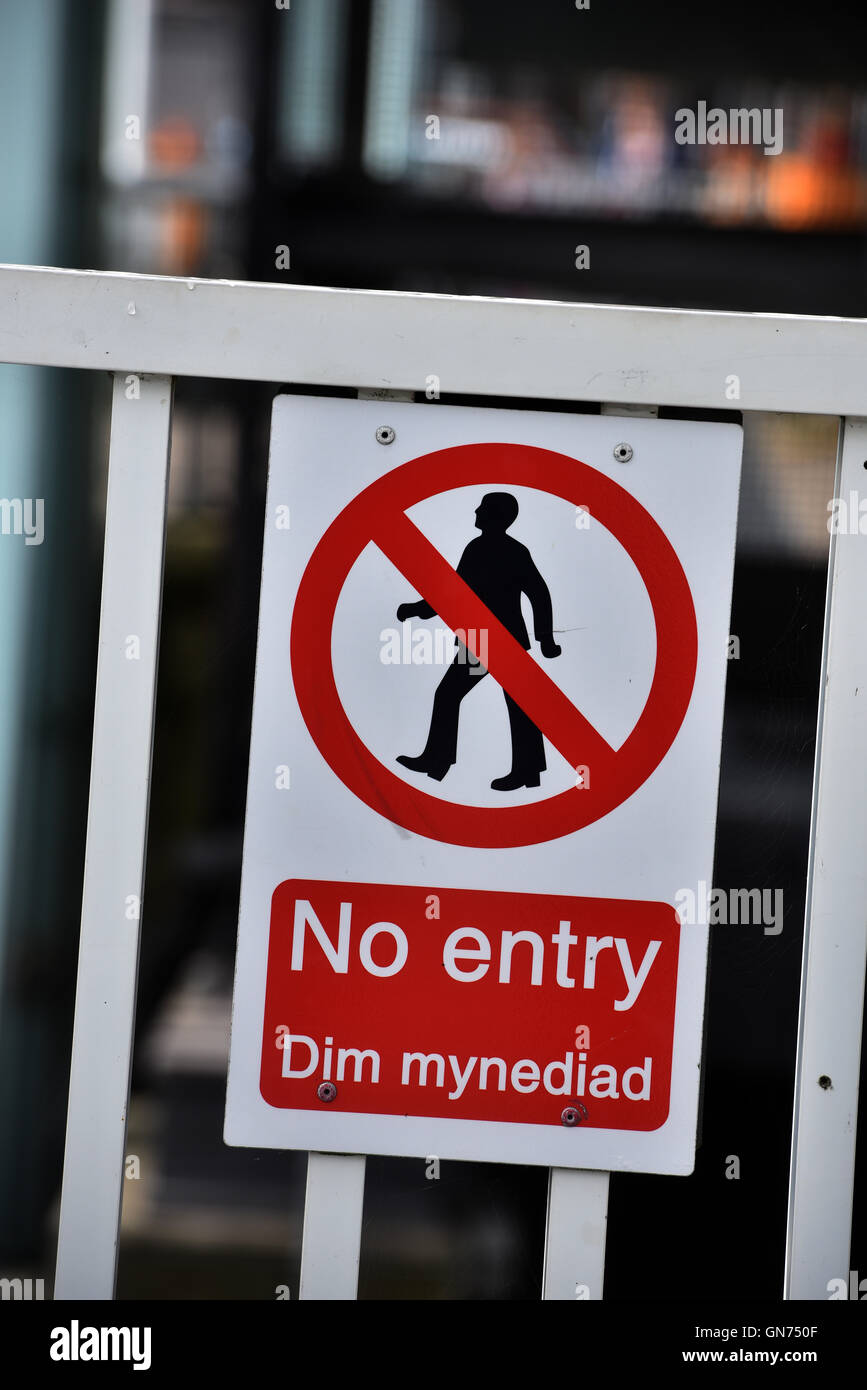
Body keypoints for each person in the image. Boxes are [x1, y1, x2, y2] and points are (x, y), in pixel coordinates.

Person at [395, 492, 561, 791]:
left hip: (496, 641)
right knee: (459, 696)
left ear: (495, 515)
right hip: (483, 639)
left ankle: (516, 770)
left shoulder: (503, 550)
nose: (476, 510)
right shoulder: (481, 548)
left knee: (501, 702)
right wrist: (417, 610)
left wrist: (546, 639)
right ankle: (442, 760)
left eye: (482, 507)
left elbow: (538, 593)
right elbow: (453, 592)